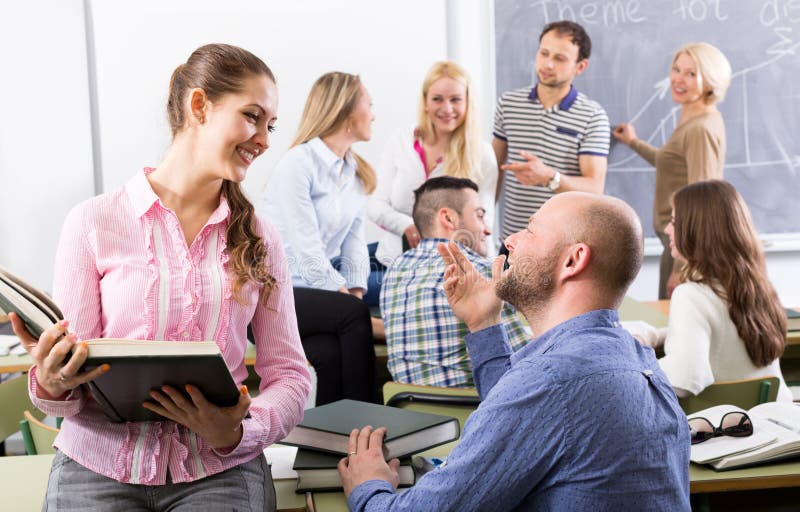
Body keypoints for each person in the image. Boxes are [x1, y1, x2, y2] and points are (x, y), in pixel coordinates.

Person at [9, 44, 312, 511]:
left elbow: (291, 375)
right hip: (97, 464)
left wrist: (237, 430)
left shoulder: (260, 237)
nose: (265, 139)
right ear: (199, 106)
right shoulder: (93, 221)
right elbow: (70, 385)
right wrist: (51, 381)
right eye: (252, 117)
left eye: (270, 125)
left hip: (220, 468)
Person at [339, 192, 690, 511]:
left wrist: (368, 485)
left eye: (531, 231)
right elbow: (528, 424)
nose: (510, 239)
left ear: (573, 260)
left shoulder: (552, 382)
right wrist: (483, 325)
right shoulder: (637, 359)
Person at [261, 72, 378, 404]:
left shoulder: (356, 174)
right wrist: (349, 302)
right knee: (354, 317)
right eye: (368, 103)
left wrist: (355, 291)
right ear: (344, 109)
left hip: (315, 298)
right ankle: (367, 429)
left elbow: (355, 247)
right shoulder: (298, 164)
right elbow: (305, 249)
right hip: (272, 296)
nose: (373, 112)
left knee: (332, 353)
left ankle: (334, 445)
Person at [651, 180, 791, 401]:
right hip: (777, 422)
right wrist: (658, 335)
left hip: (729, 428)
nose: (667, 229)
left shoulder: (691, 295)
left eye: (675, 222)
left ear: (698, 231)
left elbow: (685, 378)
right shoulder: (758, 287)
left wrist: (639, 372)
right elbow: (726, 336)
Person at [381, 176, 528, 387]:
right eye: (479, 216)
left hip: (411, 414)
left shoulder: (394, 272)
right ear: (448, 218)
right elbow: (526, 367)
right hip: (474, 413)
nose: (487, 229)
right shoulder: (481, 273)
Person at [613, 42, 731, 299]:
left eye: (691, 73)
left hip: (686, 248)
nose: (679, 79)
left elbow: (701, 201)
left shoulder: (700, 128)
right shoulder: (693, 117)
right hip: (677, 243)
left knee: (670, 329)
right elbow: (672, 164)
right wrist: (634, 142)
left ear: (710, 81)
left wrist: (682, 267)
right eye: (677, 69)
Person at [369, 60, 499, 273]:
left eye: (455, 100)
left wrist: (490, 276)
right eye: (437, 99)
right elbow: (376, 205)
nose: (447, 109)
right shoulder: (400, 141)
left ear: (467, 102)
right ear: (426, 102)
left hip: (451, 269)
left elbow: (485, 224)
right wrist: (408, 225)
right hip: (393, 262)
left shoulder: (481, 154)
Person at [493, 20, 609, 242]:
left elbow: (595, 188)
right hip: (512, 242)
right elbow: (494, 170)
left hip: (562, 245)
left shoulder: (592, 116)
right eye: (544, 53)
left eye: (560, 58)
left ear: (580, 66)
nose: (547, 64)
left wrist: (549, 177)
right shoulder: (508, 104)